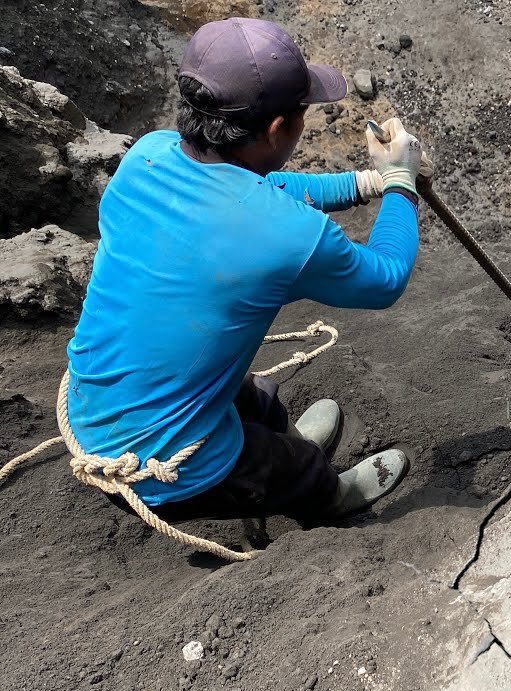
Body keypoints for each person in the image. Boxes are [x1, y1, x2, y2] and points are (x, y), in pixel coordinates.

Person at [65, 17, 425, 528]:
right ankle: (331, 492)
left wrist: (366, 181)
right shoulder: (289, 236)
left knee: (253, 397)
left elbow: (259, 194)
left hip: (94, 414)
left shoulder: (147, 155)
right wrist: (400, 185)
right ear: (278, 128)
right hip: (161, 470)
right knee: (288, 468)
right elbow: (386, 277)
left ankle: (290, 440)